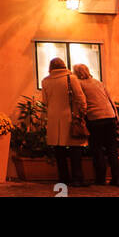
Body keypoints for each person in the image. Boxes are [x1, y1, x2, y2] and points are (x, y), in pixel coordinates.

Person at [74, 63, 119, 187]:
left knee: (97, 149)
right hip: (110, 117)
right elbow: (110, 99)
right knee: (112, 149)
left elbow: (81, 102)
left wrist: (81, 116)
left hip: (95, 118)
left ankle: (101, 179)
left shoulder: (79, 84)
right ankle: (117, 179)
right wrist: (116, 116)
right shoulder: (98, 82)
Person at [41, 57, 88, 186]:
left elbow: (45, 102)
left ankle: (63, 178)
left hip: (53, 118)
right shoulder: (71, 78)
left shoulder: (45, 81)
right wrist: (83, 111)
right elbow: (80, 97)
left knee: (59, 150)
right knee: (75, 150)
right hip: (70, 118)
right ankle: (77, 179)